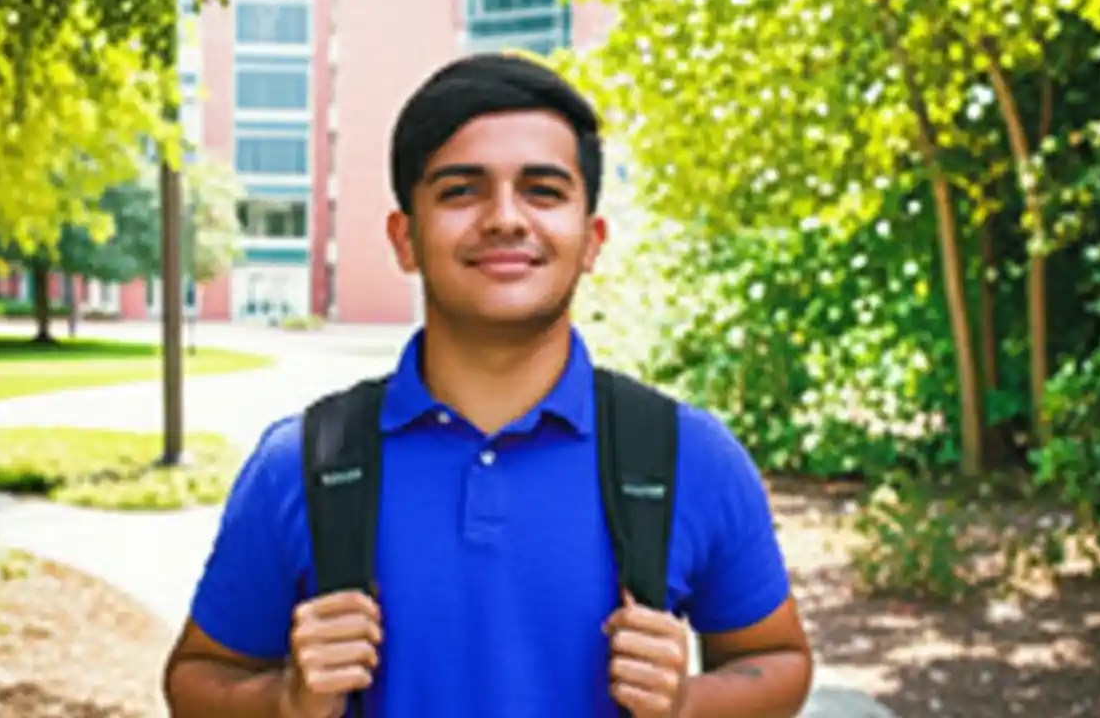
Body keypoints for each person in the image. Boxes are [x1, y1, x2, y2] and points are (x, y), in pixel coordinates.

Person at [162, 52, 813, 718]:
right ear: (405, 237)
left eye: (543, 190)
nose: (505, 218)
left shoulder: (688, 455)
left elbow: (779, 661)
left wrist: (688, 704)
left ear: (591, 239)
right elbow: (194, 681)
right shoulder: (304, 462)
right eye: (460, 191)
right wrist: (286, 702)